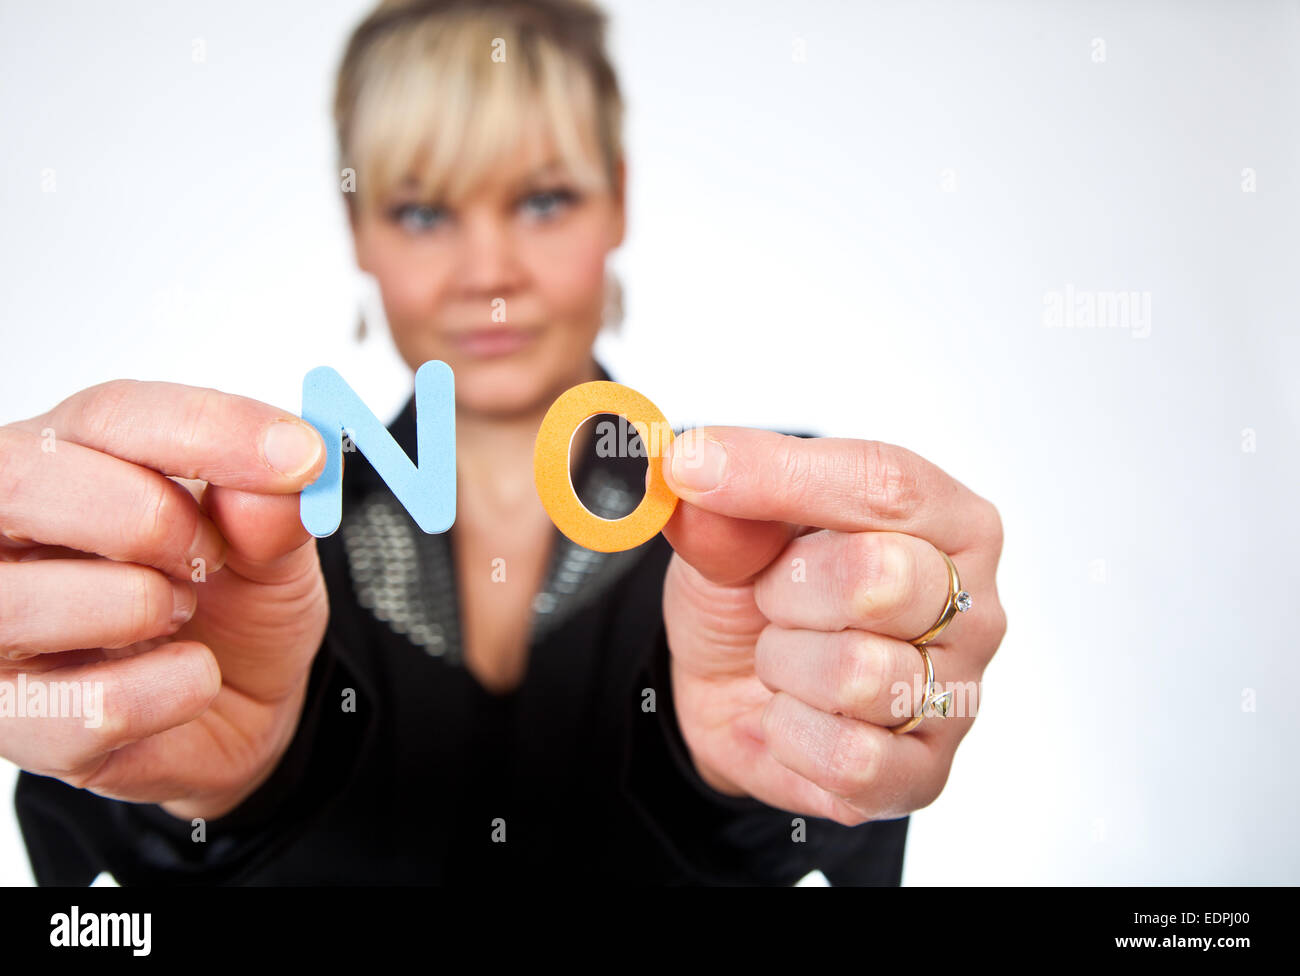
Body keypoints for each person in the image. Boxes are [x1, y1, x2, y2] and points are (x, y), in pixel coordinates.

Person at [4, 0, 1006, 885]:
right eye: (423, 210)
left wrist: (788, 764)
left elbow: (841, 844)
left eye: (541, 200)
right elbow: (86, 901)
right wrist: (207, 793)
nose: (488, 270)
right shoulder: (239, 541)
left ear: (617, 199)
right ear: (359, 230)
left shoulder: (767, 536)